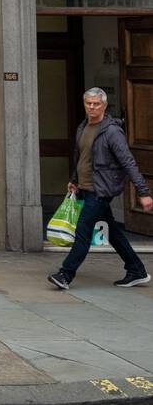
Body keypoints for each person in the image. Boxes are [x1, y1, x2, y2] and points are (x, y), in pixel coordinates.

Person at [48, 88, 153, 290]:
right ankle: (137, 271)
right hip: (85, 188)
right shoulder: (83, 127)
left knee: (83, 233)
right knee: (113, 233)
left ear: (104, 106)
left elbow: (128, 162)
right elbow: (82, 158)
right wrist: (74, 180)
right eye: (89, 103)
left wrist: (144, 192)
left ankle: (65, 274)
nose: (92, 107)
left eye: (96, 103)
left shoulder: (112, 131)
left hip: (100, 190)